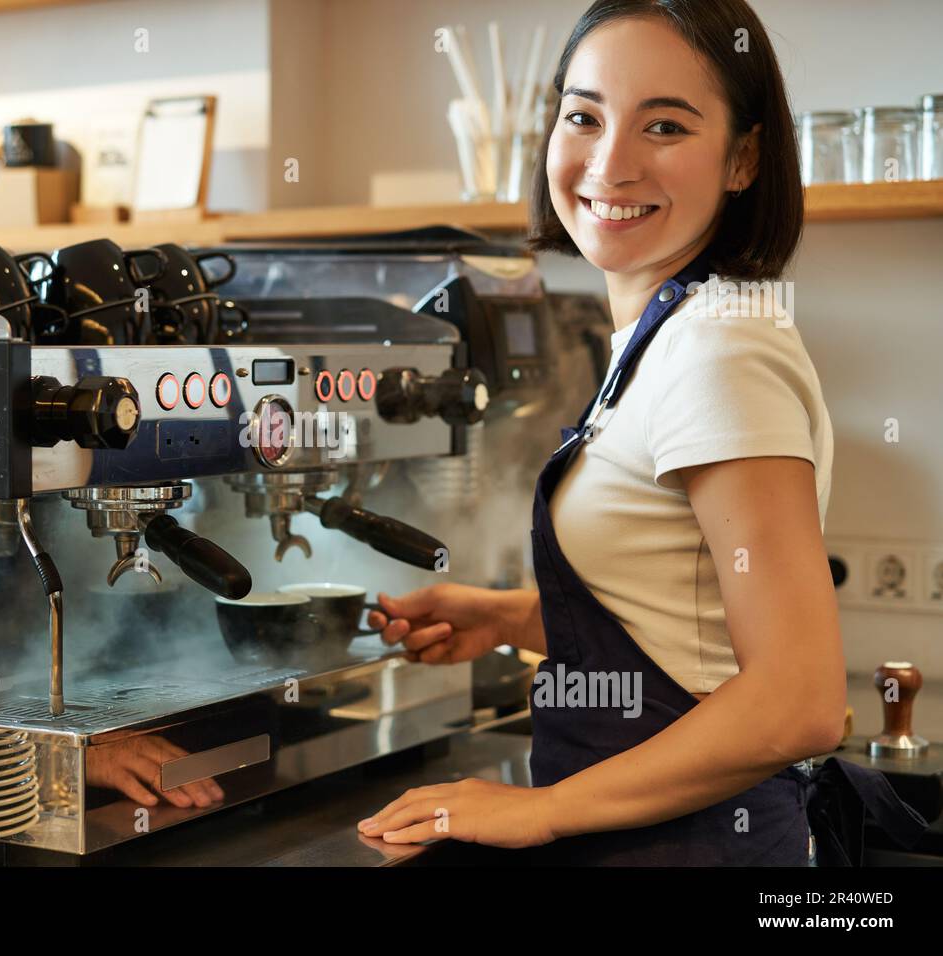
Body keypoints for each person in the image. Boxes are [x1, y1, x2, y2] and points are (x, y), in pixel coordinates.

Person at [358, 0, 927, 865]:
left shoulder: (717, 349)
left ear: (745, 158)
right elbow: (691, 625)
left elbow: (799, 700)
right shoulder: (667, 332)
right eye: (584, 116)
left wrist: (536, 811)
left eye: (664, 125)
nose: (610, 163)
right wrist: (514, 617)